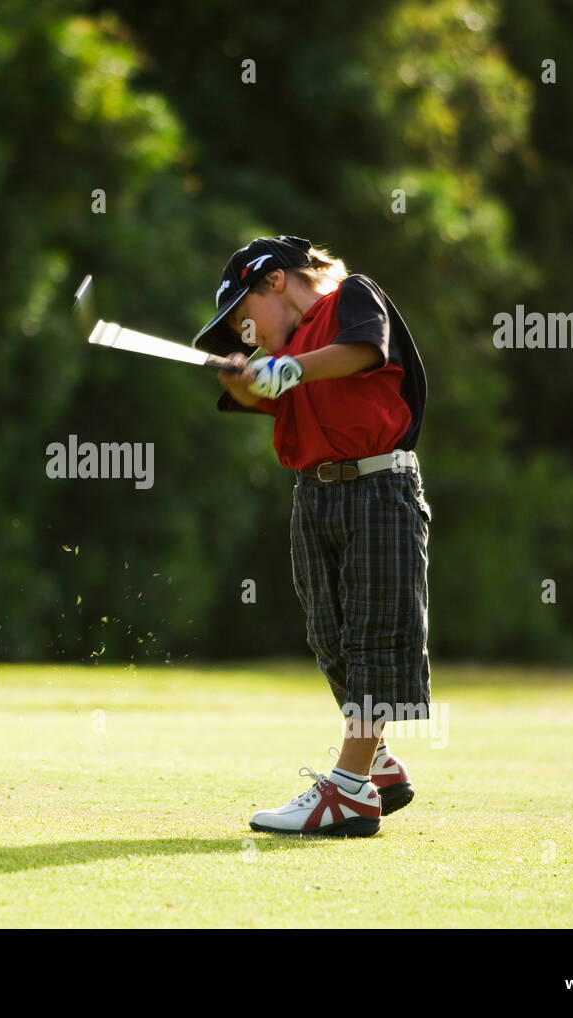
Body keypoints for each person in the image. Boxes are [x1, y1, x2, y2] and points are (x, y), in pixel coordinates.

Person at [191, 235, 431, 837]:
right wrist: (241, 379)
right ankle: (374, 764)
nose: (251, 337)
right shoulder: (286, 353)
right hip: (314, 495)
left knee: (375, 635)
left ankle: (348, 792)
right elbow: (260, 396)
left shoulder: (350, 298)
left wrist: (286, 367)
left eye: (246, 322)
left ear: (275, 280)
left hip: (379, 488)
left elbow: (361, 351)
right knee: (332, 637)